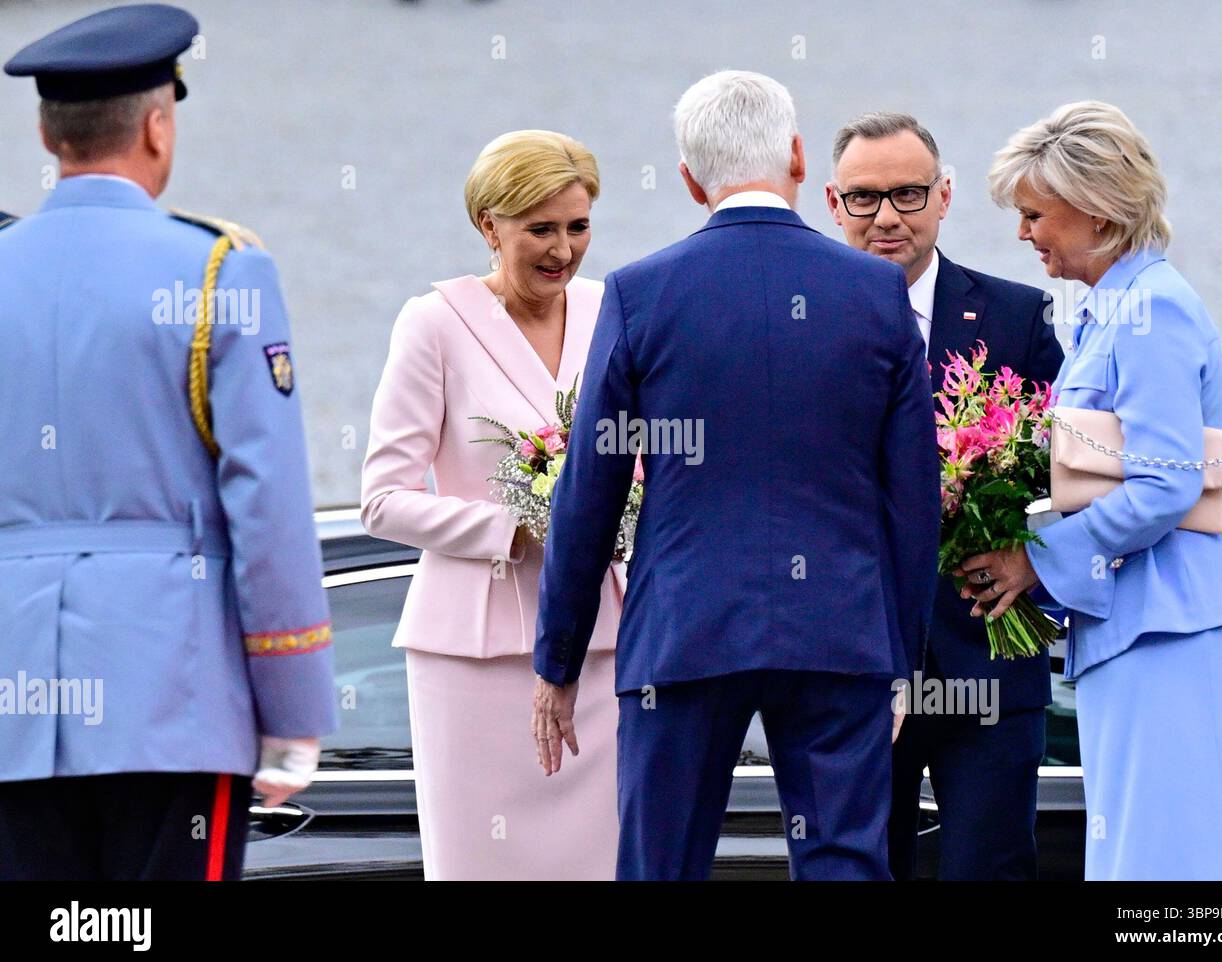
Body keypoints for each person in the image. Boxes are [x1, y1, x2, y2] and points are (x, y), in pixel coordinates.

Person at [531, 70, 940, 880]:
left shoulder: (640, 293)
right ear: (795, 155)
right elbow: (913, 497)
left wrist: (558, 660)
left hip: (685, 630)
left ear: (689, 180)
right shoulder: (876, 290)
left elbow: (590, 489)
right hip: (838, 630)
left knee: (661, 864)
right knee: (843, 864)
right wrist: (900, 654)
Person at [0, 4, 336, 880]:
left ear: (46, 132)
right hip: (171, 696)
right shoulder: (220, 270)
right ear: (157, 125)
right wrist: (294, 708)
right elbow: (266, 504)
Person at [962, 100, 1222, 880]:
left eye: (1033, 214)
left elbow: (1164, 487)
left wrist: (1032, 561)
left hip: (1179, 624)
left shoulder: (1151, 311)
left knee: (1182, 858)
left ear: (1094, 209)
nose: (1024, 234)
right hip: (1148, 622)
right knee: (1157, 854)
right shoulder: (1117, 310)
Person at [360, 129, 623, 880]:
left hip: (603, 646)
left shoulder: (612, 311)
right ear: (490, 225)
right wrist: (513, 525)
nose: (563, 250)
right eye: (541, 229)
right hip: (471, 658)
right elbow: (383, 499)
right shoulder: (433, 323)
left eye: (578, 227)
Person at [826, 112, 1062, 880]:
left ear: (945, 196)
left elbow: (1075, 470)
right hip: (851, 665)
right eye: (865, 198)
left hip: (986, 659)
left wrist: (1033, 555)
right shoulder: (800, 323)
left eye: (907, 193)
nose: (887, 216)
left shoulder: (1017, 317)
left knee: (989, 870)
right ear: (833, 204)